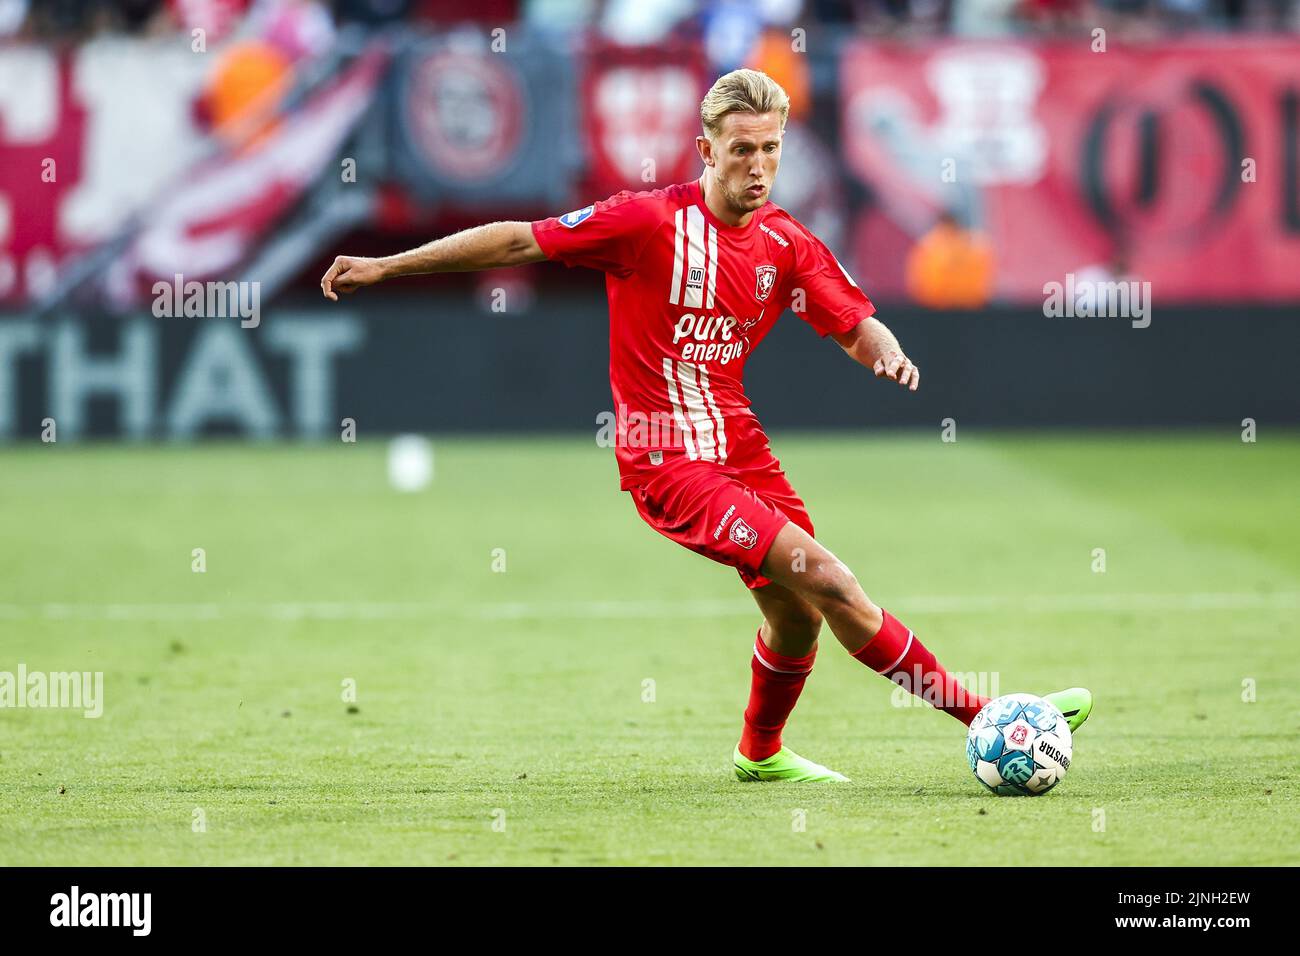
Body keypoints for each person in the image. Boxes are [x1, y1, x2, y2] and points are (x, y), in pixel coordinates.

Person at [321, 69, 1092, 782]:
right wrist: (389, 267)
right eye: (742, 150)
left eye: (771, 150)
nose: (757, 167)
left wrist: (885, 353)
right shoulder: (647, 222)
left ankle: (759, 755)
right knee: (827, 578)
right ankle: (990, 717)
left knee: (796, 616)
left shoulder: (786, 242)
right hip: (665, 460)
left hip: (740, 447)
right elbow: (521, 238)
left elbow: (856, 321)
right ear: (706, 150)